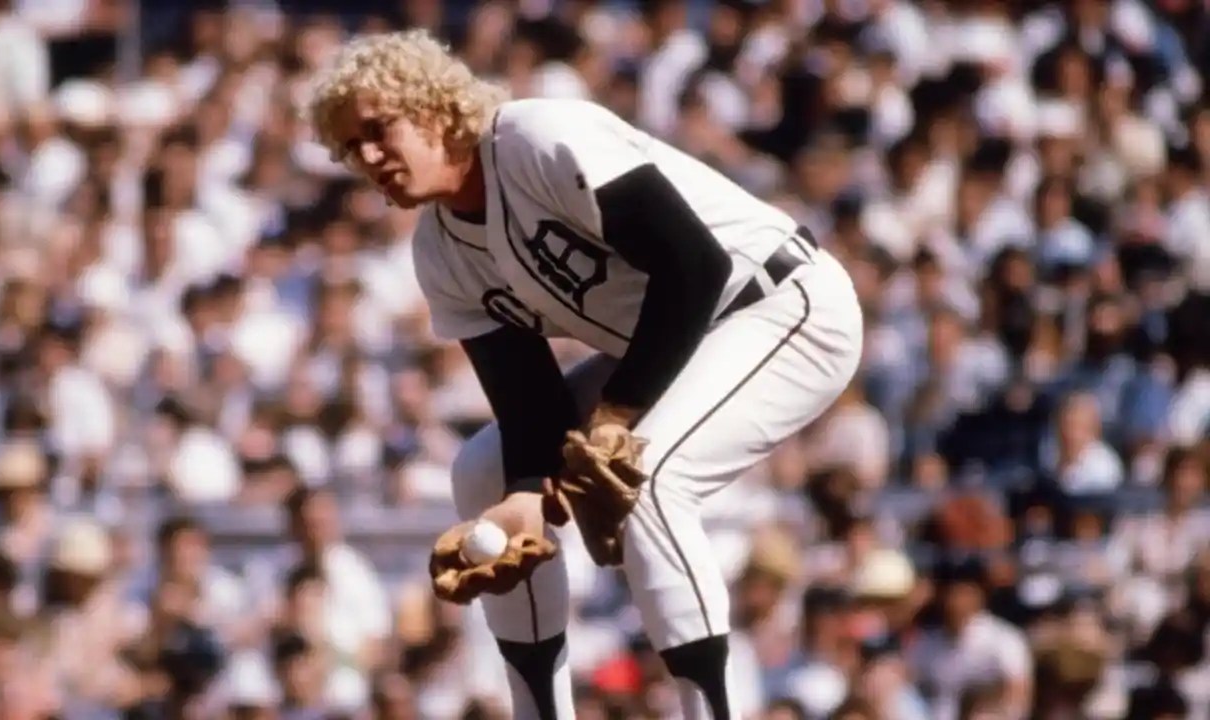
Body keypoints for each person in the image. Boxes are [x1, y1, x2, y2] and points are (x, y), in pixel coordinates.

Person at [306, 29, 864, 720]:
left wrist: (613, 419)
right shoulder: (440, 254)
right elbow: (530, 407)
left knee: (652, 480)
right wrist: (522, 499)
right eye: (350, 149)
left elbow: (694, 269)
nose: (368, 157)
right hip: (685, 343)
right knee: (483, 475)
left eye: (378, 130)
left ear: (432, 107)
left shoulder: (538, 136)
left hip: (785, 303)